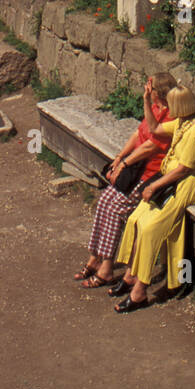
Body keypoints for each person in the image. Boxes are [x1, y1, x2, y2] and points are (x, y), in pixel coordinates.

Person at [113, 86, 195, 312]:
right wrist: (147, 101)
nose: (167, 108)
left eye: (171, 105)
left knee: (149, 228)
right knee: (135, 218)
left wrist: (154, 185)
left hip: (186, 184)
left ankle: (140, 289)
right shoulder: (181, 123)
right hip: (168, 181)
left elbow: (184, 169)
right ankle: (131, 273)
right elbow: (154, 128)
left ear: (181, 106)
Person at [74, 72, 176, 289]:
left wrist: (125, 164)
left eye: (150, 88)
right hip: (134, 168)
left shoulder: (170, 117)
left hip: (148, 172)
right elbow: (138, 134)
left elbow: (151, 145)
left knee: (116, 209)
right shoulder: (155, 109)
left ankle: (107, 266)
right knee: (104, 201)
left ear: (159, 92)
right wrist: (119, 158)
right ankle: (95, 256)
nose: (146, 90)